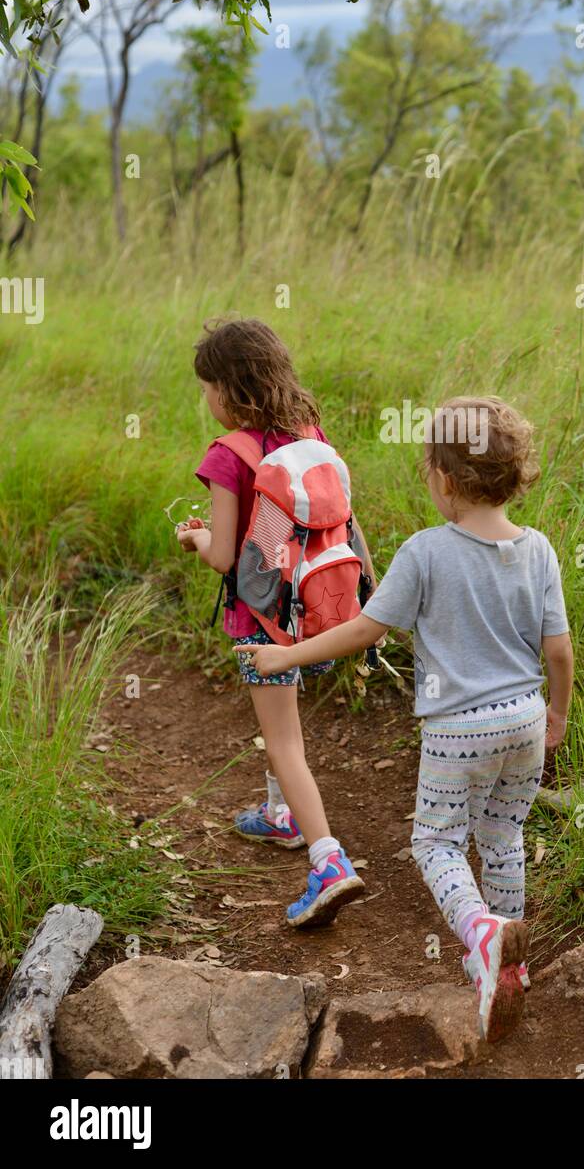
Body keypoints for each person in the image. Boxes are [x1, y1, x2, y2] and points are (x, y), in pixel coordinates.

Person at [236, 395, 574, 1040]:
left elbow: (364, 630)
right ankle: (513, 966)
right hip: (526, 721)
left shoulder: (425, 552)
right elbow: (558, 649)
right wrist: (556, 714)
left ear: (445, 481)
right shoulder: (540, 551)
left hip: (458, 731)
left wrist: (285, 657)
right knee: (503, 837)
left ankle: (481, 937)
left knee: (436, 843)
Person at [176, 317, 374, 927]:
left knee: (283, 739)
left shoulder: (227, 455)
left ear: (229, 391)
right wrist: (371, 588)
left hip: (262, 624)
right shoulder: (306, 435)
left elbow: (226, 557)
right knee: (282, 721)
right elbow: (331, 523)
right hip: (316, 607)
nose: (205, 398)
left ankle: (327, 861)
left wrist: (193, 537)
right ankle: (279, 814)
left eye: (207, 387)